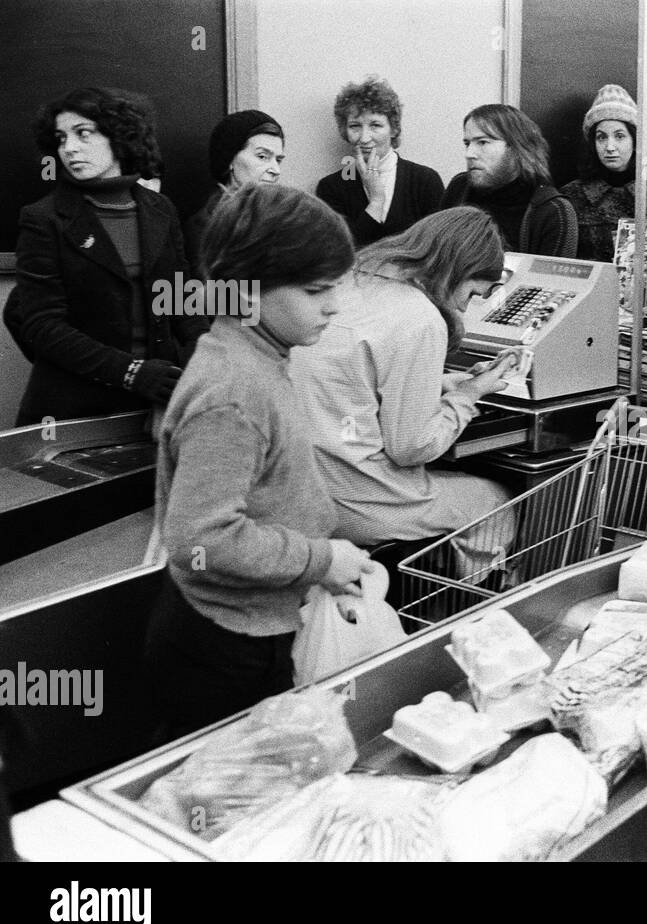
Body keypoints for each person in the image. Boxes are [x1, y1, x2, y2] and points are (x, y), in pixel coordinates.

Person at [146, 184, 374, 739]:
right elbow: (204, 540)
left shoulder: (258, 356)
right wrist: (319, 560)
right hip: (223, 647)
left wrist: (320, 572)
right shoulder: (232, 392)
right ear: (244, 293)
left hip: (249, 621)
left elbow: (267, 494)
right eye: (316, 290)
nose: (333, 305)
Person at [288, 208, 516, 580]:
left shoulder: (343, 282)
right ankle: (467, 615)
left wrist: (440, 383)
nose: (463, 308)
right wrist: (469, 394)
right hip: (357, 503)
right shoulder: (419, 317)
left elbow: (351, 379)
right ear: (457, 269)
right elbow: (411, 447)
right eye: (473, 294)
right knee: (494, 499)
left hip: (298, 490)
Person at [6, 87, 206, 426]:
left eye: (84, 134)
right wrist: (131, 372)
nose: (68, 148)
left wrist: (200, 359)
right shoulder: (43, 218)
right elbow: (42, 325)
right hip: (75, 412)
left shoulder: (161, 209)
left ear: (119, 137)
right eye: (61, 138)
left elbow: (180, 300)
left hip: (155, 405)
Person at [316, 76, 445, 247]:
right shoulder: (332, 187)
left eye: (375, 125)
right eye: (355, 126)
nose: (364, 138)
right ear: (345, 131)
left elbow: (439, 248)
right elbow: (340, 252)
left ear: (394, 129)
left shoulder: (425, 180)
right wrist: (376, 201)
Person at [441, 104, 578, 258]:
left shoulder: (553, 210)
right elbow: (434, 257)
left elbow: (553, 281)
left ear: (516, 147)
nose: (469, 153)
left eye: (482, 142)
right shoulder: (459, 188)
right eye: (467, 143)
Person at [559, 84, 647, 262]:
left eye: (620, 136)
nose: (610, 147)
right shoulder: (572, 195)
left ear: (635, 140)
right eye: (601, 137)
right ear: (593, 143)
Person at [184, 110, 285, 260]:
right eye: (262, 156)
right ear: (230, 159)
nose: (276, 170)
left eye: (278, 160)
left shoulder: (285, 218)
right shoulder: (204, 226)